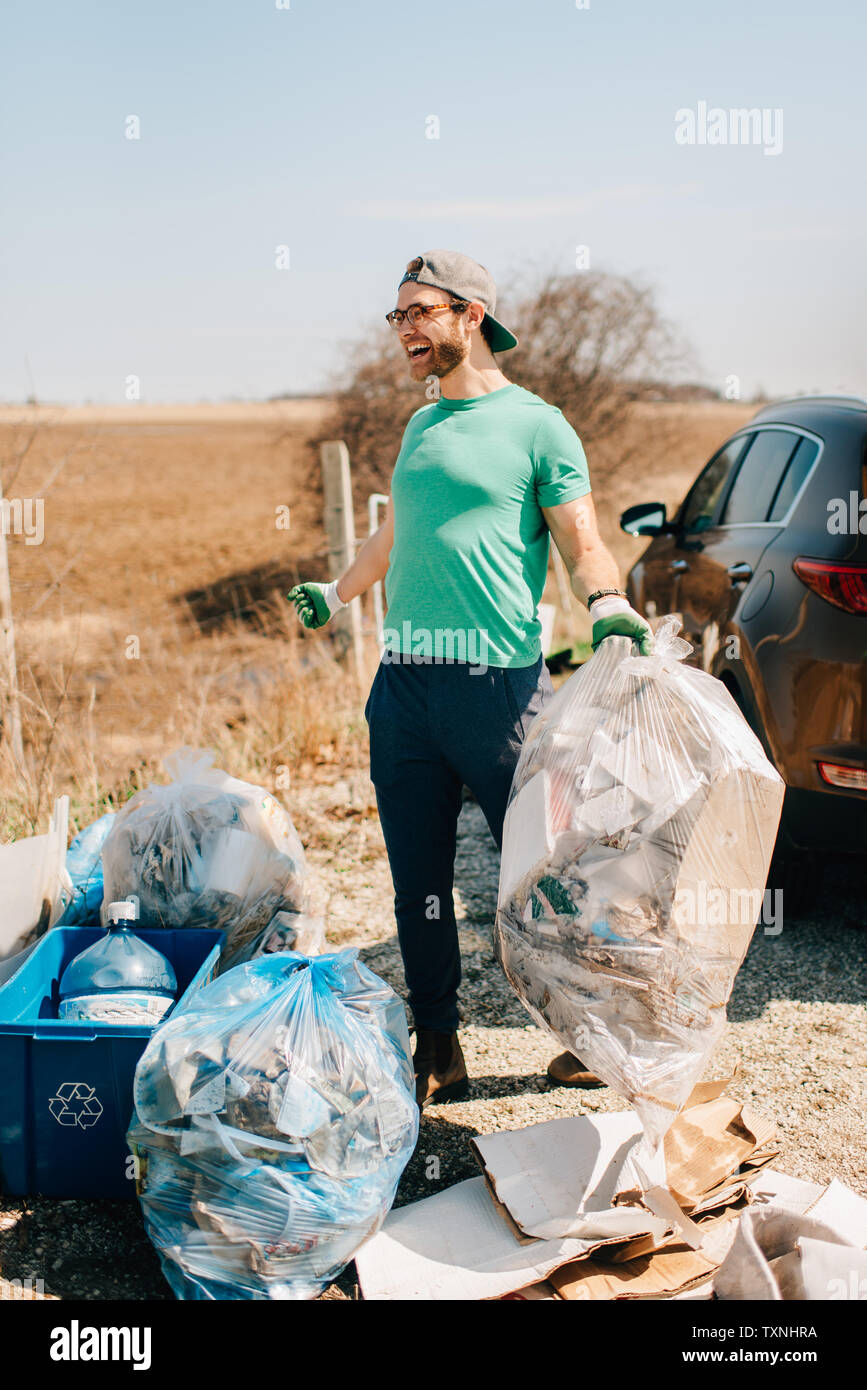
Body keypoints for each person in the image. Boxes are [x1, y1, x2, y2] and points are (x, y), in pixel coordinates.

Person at [289, 250, 651, 1106]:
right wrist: (337, 593)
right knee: (416, 883)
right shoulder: (420, 429)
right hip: (404, 691)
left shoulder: (539, 426)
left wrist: (603, 599)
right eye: (397, 316)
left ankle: (584, 1032)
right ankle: (438, 1045)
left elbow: (580, 536)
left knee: (546, 876)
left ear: (471, 315)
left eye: (420, 312)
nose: (405, 329)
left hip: (497, 694)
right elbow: (397, 538)